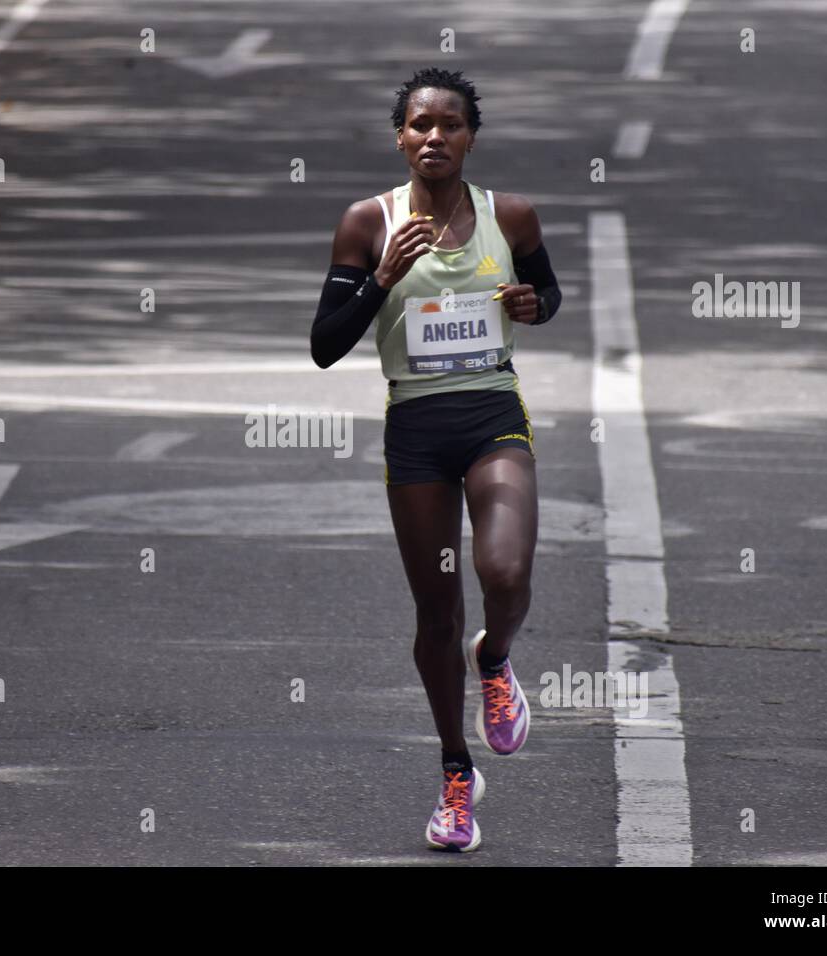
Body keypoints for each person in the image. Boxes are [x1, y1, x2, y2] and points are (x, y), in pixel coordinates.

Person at [310, 67, 561, 852]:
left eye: (449, 126)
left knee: (506, 573)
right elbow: (324, 347)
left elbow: (547, 294)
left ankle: (498, 657)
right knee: (436, 610)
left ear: (470, 139)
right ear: (400, 137)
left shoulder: (509, 217)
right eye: (419, 125)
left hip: (492, 411)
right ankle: (457, 775)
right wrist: (383, 278)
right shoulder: (367, 222)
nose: (433, 138)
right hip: (415, 426)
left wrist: (532, 304)